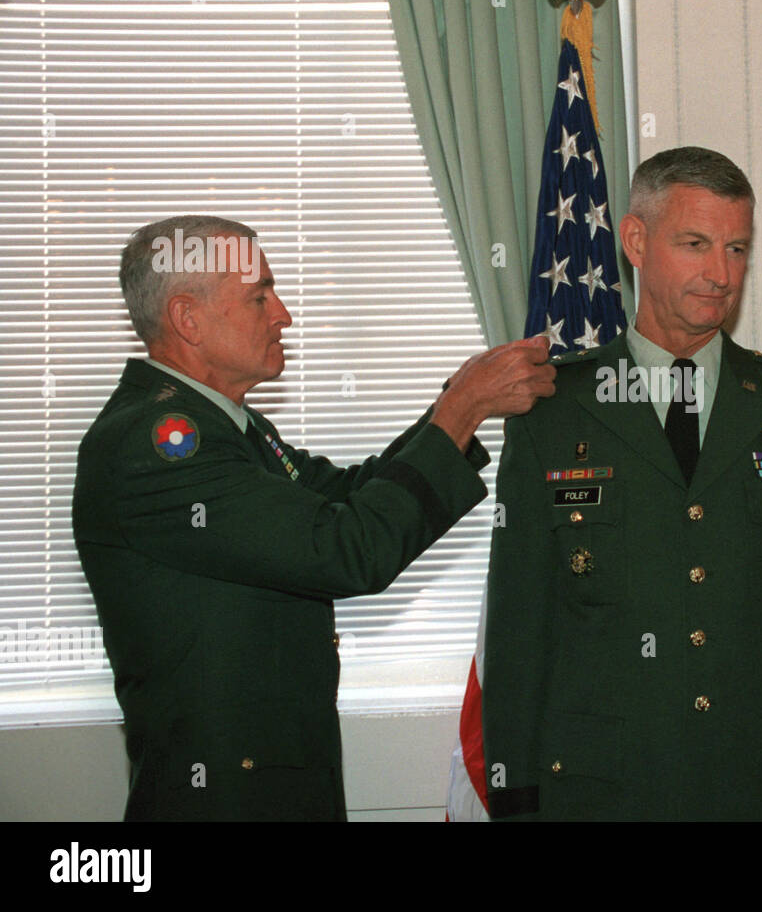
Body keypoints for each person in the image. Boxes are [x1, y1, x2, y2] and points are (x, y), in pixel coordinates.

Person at [73, 215, 554, 820]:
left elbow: (346, 496)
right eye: (258, 296)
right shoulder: (161, 443)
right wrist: (463, 409)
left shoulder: (222, 425)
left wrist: (456, 404)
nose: (283, 314)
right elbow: (348, 547)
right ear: (187, 319)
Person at [480, 147, 762, 820]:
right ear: (635, 241)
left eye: (736, 249)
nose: (720, 273)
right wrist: (516, 796)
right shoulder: (552, 414)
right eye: (695, 244)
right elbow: (522, 630)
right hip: (605, 787)